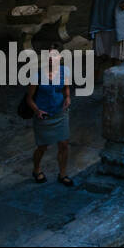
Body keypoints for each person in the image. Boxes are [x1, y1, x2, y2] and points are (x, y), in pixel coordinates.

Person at [27, 48, 72, 187]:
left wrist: (68, 97)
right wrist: (37, 110)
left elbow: (66, 89)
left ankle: (63, 174)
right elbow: (29, 99)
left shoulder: (65, 71)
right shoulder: (37, 74)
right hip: (43, 115)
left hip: (60, 112)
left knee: (64, 144)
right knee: (42, 146)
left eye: (55, 55)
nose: (52, 58)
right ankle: (36, 169)